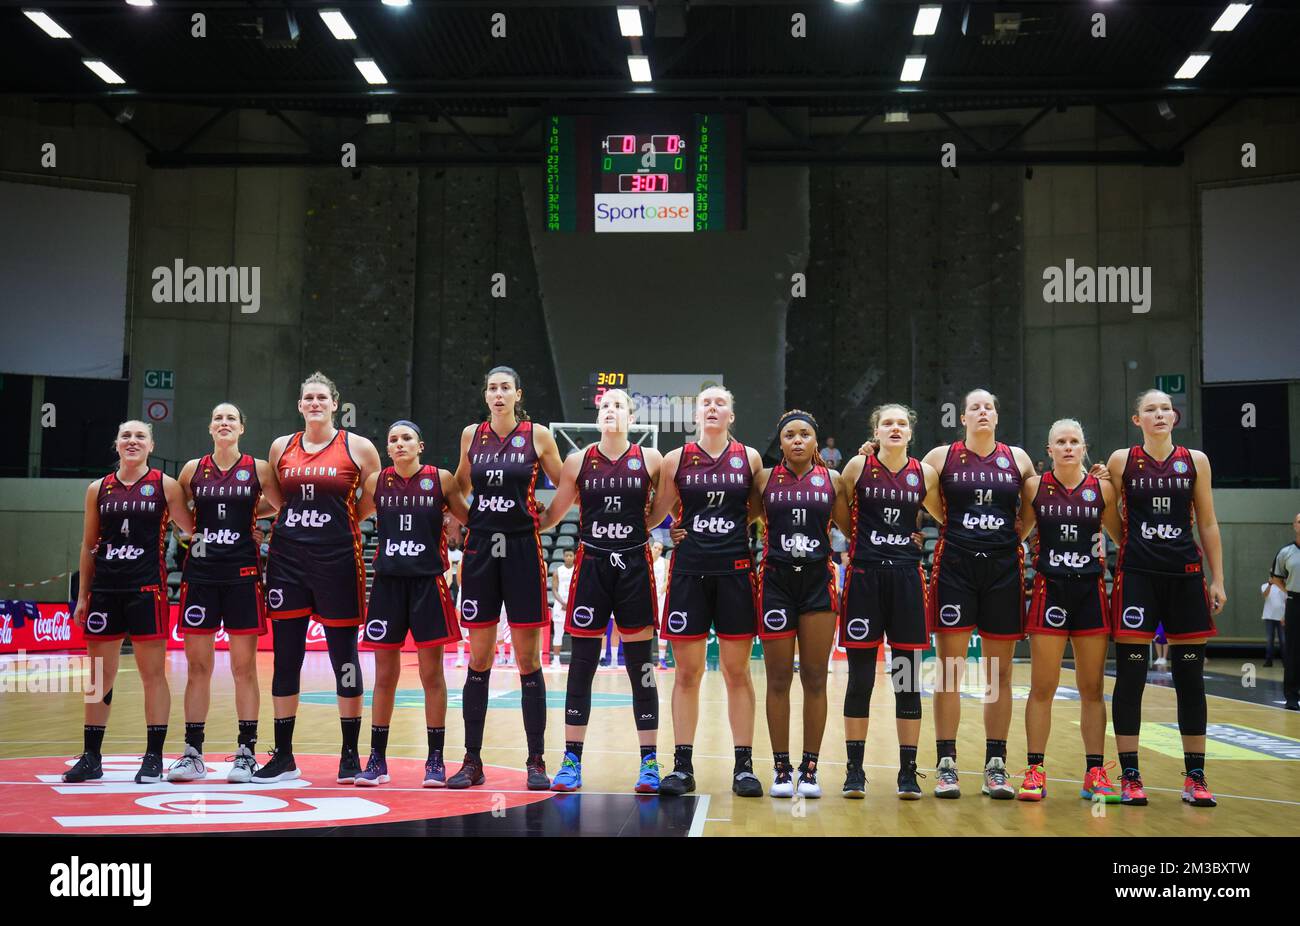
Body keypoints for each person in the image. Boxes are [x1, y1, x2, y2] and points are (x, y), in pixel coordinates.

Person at [256, 372, 382, 784]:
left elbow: (372, 498)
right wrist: (296, 521)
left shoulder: (358, 447)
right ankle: (284, 756)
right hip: (288, 560)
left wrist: (341, 520)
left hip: (338, 560)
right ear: (300, 405)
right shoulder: (281, 447)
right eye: (307, 397)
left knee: (343, 657)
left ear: (334, 404)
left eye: (321, 397)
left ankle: (349, 756)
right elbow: (277, 498)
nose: (314, 403)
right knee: (286, 657)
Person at [539, 388, 664, 792]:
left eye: (618, 406)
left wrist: (647, 527)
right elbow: (555, 512)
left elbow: (663, 506)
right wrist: (519, 524)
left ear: (631, 416)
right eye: (605, 406)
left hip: (633, 564)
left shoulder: (651, 460)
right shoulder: (577, 461)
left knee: (640, 667)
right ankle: (571, 760)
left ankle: (649, 762)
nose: (610, 411)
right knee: (582, 664)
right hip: (592, 565)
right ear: (598, 418)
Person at [1107, 388, 1227, 807]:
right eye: (1149, 410)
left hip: (1186, 576)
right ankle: (1130, 776)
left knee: (1190, 679)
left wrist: (1218, 578)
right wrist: (1130, 545)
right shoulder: (1122, 461)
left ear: (1174, 417)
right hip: (1138, 577)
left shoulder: (1196, 461)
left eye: (1165, 409)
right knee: (1132, 677)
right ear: (1136, 420)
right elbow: (1109, 512)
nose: (1159, 414)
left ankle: (1195, 775)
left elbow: (1208, 523)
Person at [448, 366, 563, 790]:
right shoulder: (470, 436)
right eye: (492, 388)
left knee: (528, 660)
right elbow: (455, 486)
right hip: (481, 551)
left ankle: (535, 761)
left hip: (521, 548)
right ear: (485, 395)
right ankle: (472, 761)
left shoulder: (538, 435)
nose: (498, 394)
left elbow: (564, 482)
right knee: (478, 659)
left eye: (505, 388)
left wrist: (546, 520)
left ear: (518, 393)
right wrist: (466, 520)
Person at [647, 385, 764, 798]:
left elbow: (755, 509)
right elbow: (657, 513)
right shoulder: (675, 459)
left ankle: (744, 767)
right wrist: (671, 529)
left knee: (737, 673)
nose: (713, 408)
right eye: (706, 404)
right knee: (688, 673)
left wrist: (723, 528)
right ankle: (681, 767)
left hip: (734, 572)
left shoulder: (749, 458)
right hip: (689, 573)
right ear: (696, 415)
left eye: (721, 404)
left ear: (731, 415)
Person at [920, 388, 1037, 799]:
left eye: (989, 406)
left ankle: (996, 765)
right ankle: (947, 764)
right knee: (950, 669)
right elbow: (930, 501)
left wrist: (1007, 540)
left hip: (1003, 569)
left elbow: (1031, 512)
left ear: (996, 416)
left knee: (998, 674)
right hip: (956, 566)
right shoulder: (939, 458)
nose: (983, 411)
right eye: (975, 407)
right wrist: (962, 532)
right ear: (963, 418)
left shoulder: (1018, 459)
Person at [64, 420, 195, 784]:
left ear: (151, 445)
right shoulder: (97, 489)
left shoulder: (165, 486)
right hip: (105, 591)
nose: (132, 441)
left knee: (152, 675)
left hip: (147, 590)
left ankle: (153, 757)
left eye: (140, 436)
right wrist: (83, 596)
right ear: (117, 444)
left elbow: (192, 527)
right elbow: (88, 545)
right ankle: (91, 756)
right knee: (98, 677)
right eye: (126, 436)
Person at [168, 403, 283, 784]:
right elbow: (177, 507)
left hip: (243, 574)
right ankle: (192, 753)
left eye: (231, 418)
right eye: (217, 417)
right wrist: (193, 531)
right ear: (210, 427)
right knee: (198, 667)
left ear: (242, 428)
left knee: (243, 668)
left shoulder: (258, 468)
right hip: (200, 575)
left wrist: (255, 516)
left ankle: (246, 752)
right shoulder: (191, 469)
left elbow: (281, 505)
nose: (223, 422)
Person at [354, 420, 469, 786]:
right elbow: (349, 519)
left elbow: (470, 518)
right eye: (393, 439)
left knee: (431, 675)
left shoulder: (442, 479)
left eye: (406, 438)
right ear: (387, 449)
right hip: (388, 585)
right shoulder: (376, 483)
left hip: (427, 583)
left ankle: (435, 760)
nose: (399, 443)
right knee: (384, 676)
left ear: (420, 446)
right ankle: (376, 759)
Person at [1015, 419, 1122, 802]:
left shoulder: (1102, 488)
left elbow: (1120, 535)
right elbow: (1018, 534)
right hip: (1050, 590)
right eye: (1060, 441)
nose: (1068, 447)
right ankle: (1035, 770)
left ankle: (1095, 772)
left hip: (1091, 591)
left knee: (1092, 688)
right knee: (1043, 686)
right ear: (1049, 450)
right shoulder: (1035, 487)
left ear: (1084, 446)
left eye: (1074, 441)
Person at [838, 404, 941, 799]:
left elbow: (944, 515)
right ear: (876, 432)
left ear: (910, 433)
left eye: (902, 423)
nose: (895, 428)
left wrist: (915, 538)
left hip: (906, 581)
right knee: (860, 680)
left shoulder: (924, 474)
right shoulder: (857, 467)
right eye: (887, 423)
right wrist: (863, 540)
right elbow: (842, 514)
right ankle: (854, 771)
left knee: (907, 681)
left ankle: (908, 772)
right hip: (865, 578)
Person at [755, 410, 846, 798]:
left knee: (814, 677)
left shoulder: (833, 480)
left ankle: (809, 769)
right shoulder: (763, 479)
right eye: (789, 434)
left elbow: (855, 529)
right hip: (775, 580)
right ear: (780, 442)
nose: (796, 440)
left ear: (815, 441)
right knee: (777, 679)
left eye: (804, 434)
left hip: (817, 583)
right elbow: (732, 517)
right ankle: (780, 768)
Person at [1271, 512, 1300, 710]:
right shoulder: (1286, 552)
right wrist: (1288, 589)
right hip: (1295, 601)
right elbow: (1275, 578)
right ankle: (1291, 697)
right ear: (1294, 525)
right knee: (1293, 651)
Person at [551, 548, 575, 667]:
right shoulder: (557, 571)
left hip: (573, 606)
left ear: (574, 556)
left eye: (571, 555)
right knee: (558, 633)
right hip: (560, 606)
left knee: (575, 634)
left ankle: (575, 661)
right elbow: (554, 590)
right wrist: (563, 603)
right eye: (567, 555)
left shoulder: (578, 570)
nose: (569, 557)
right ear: (563, 557)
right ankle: (556, 660)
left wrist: (570, 604)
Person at [1260, 575, 1286, 668]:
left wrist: (1285, 616)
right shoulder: (1265, 586)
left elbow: (1287, 602)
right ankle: (1268, 661)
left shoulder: (1284, 587)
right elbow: (1265, 595)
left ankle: (1285, 661)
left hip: (1281, 617)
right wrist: (1270, 585)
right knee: (1269, 640)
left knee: (1283, 640)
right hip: (1269, 616)